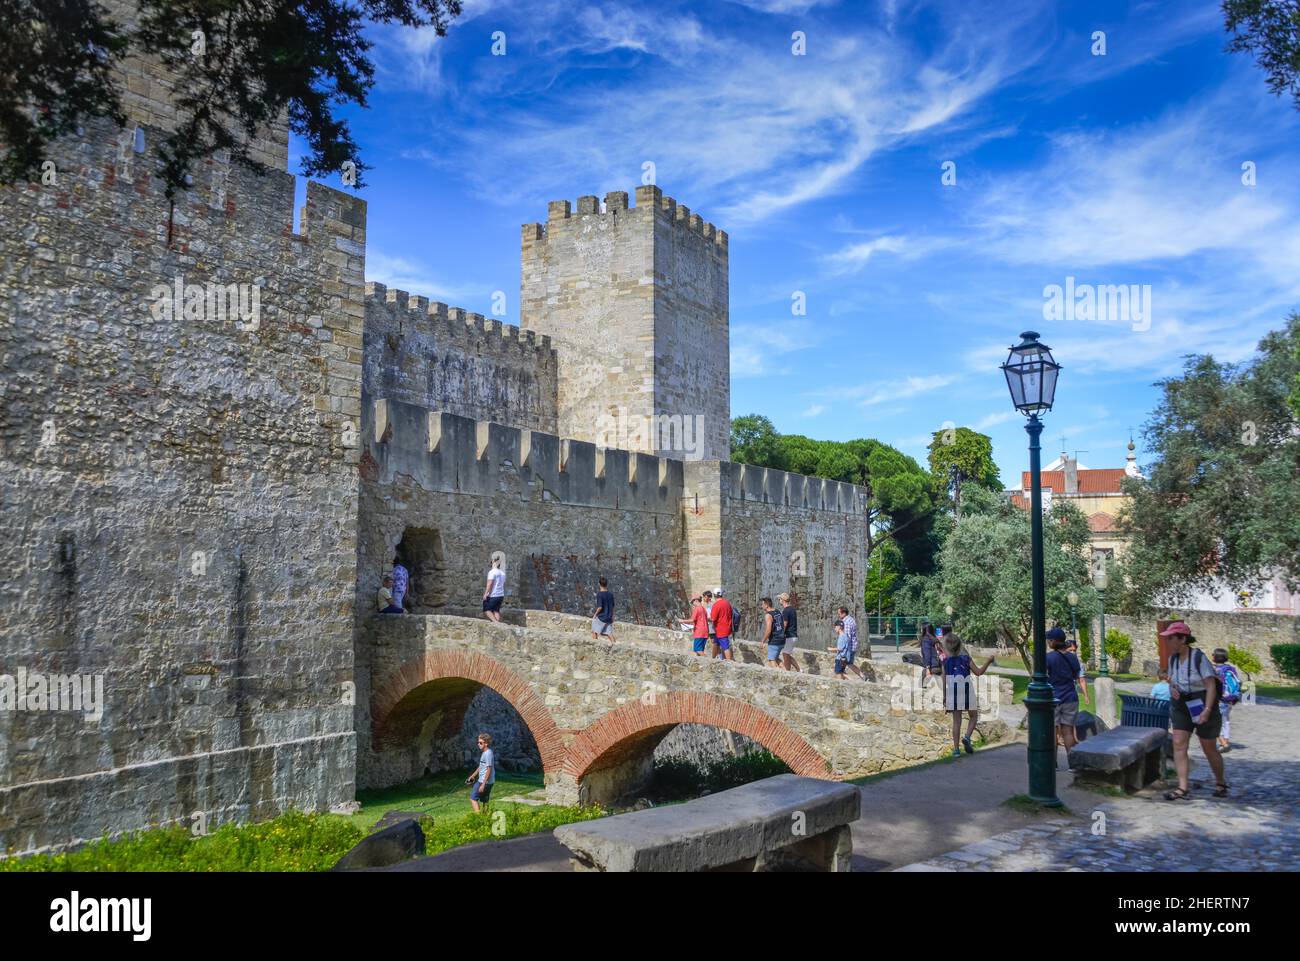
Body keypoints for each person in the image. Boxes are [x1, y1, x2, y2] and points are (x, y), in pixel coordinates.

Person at [1161, 621, 1228, 800]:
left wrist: (1206, 710)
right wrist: (1172, 688)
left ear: (1182, 639)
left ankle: (1220, 782)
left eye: (1171, 638)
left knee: (1208, 747)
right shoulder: (1172, 658)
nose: (1168, 642)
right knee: (1178, 743)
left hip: (1202, 701)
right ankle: (1182, 787)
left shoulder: (1199, 658)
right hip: (1181, 704)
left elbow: (1211, 685)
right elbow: (1173, 680)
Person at [942, 631, 994, 757]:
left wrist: (945, 697)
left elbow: (944, 681)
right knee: (973, 716)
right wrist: (988, 660)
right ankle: (967, 737)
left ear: (946, 647)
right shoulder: (966, 659)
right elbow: (979, 672)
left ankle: (956, 750)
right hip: (966, 691)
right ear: (960, 646)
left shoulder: (945, 662)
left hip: (953, 692)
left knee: (956, 722)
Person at [1046, 627, 1089, 754]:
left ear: (1053, 641)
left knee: (1053, 732)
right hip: (1070, 696)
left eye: (1049, 640)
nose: (1048, 642)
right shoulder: (1073, 657)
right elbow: (1076, 675)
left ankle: (1052, 763)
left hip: (1054, 697)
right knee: (1068, 732)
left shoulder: (1048, 658)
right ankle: (1071, 763)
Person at [1212, 648, 1243, 752]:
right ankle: (1226, 739)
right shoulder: (1230, 669)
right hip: (1229, 700)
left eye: (1213, 655)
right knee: (1226, 721)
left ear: (1215, 657)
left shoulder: (1216, 670)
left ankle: (1224, 744)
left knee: (1215, 723)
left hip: (1220, 700)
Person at [466, 733, 495, 813]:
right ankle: (485, 819)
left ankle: (479, 818)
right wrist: (472, 776)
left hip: (483, 781)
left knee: (473, 799)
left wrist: (483, 784)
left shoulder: (488, 754)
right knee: (485, 801)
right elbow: (481, 766)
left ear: (486, 743)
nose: (478, 744)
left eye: (481, 743)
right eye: (478, 742)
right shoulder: (485, 753)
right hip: (489, 781)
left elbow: (489, 769)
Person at [838, 606, 865, 680]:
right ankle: (863, 677)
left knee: (841, 664)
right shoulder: (851, 620)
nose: (839, 616)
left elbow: (847, 637)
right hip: (852, 646)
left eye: (839, 614)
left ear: (843, 613)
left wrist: (842, 648)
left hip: (849, 647)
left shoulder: (846, 622)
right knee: (849, 663)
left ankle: (848, 680)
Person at [777, 592, 801, 672]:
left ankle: (788, 672)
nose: (779, 600)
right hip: (793, 636)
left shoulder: (786, 611)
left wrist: (779, 635)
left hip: (789, 636)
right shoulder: (792, 609)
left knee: (785, 654)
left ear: (783, 600)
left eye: (779, 599)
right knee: (787, 654)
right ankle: (799, 670)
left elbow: (784, 625)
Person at [709, 588, 735, 661]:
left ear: (714, 595)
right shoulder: (727, 603)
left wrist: (706, 618)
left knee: (725, 647)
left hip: (720, 629)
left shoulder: (716, 605)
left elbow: (713, 618)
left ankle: (730, 663)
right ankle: (712, 659)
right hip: (727, 627)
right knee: (715, 643)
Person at [761, 597, 784, 667]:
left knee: (771, 659)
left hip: (775, 640)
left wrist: (763, 641)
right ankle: (786, 672)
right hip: (782, 638)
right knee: (776, 658)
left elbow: (768, 630)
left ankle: (776, 675)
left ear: (766, 605)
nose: (761, 606)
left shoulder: (768, 615)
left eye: (762, 604)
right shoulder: (777, 611)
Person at [591, 576, 616, 641]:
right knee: (609, 633)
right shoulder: (610, 594)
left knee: (594, 631)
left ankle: (595, 644)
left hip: (602, 617)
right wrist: (613, 617)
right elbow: (612, 606)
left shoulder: (600, 594)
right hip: (609, 617)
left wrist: (595, 615)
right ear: (606, 584)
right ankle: (615, 645)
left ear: (599, 584)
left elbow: (600, 607)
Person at [482, 557, 506, 623]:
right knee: (496, 611)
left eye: (492, 562)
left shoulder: (492, 572)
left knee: (487, 610)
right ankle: (497, 625)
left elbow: (489, 584)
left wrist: (485, 594)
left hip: (493, 595)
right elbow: (503, 585)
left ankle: (496, 622)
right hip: (501, 595)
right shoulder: (502, 573)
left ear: (494, 563)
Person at [919, 622, 941, 688]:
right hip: (939, 664)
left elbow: (927, 654)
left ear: (924, 629)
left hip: (932, 666)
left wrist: (928, 668)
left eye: (921, 628)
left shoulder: (925, 639)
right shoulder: (934, 638)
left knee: (921, 685)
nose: (920, 629)